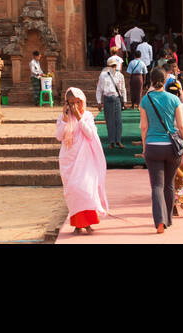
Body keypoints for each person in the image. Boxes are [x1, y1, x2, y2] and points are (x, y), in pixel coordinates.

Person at [56, 87, 109, 234]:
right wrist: (66, 120)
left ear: (82, 102)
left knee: (85, 190)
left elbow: (90, 134)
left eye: (77, 102)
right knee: (73, 191)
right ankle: (78, 224)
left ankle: (88, 223)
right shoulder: (62, 118)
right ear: (66, 104)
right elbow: (59, 136)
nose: (74, 106)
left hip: (85, 159)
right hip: (68, 159)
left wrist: (79, 118)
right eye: (71, 103)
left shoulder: (87, 116)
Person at [140, 67, 183, 233]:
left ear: (150, 80)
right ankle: (168, 219)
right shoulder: (174, 99)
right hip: (172, 147)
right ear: (165, 80)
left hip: (153, 145)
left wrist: (145, 147)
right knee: (169, 184)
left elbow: (144, 127)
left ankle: (160, 221)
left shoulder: (145, 100)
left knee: (157, 186)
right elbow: (181, 126)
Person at [97, 55, 127, 149]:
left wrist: (125, 100)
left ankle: (118, 140)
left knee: (118, 120)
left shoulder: (120, 76)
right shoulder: (103, 75)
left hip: (117, 99)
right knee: (109, 121)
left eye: (114, 65)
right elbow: (99, 89)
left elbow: (123, 89)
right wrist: (99, 101)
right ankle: (111, 142)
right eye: (111, 66)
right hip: (107, 98)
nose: (113, 67)